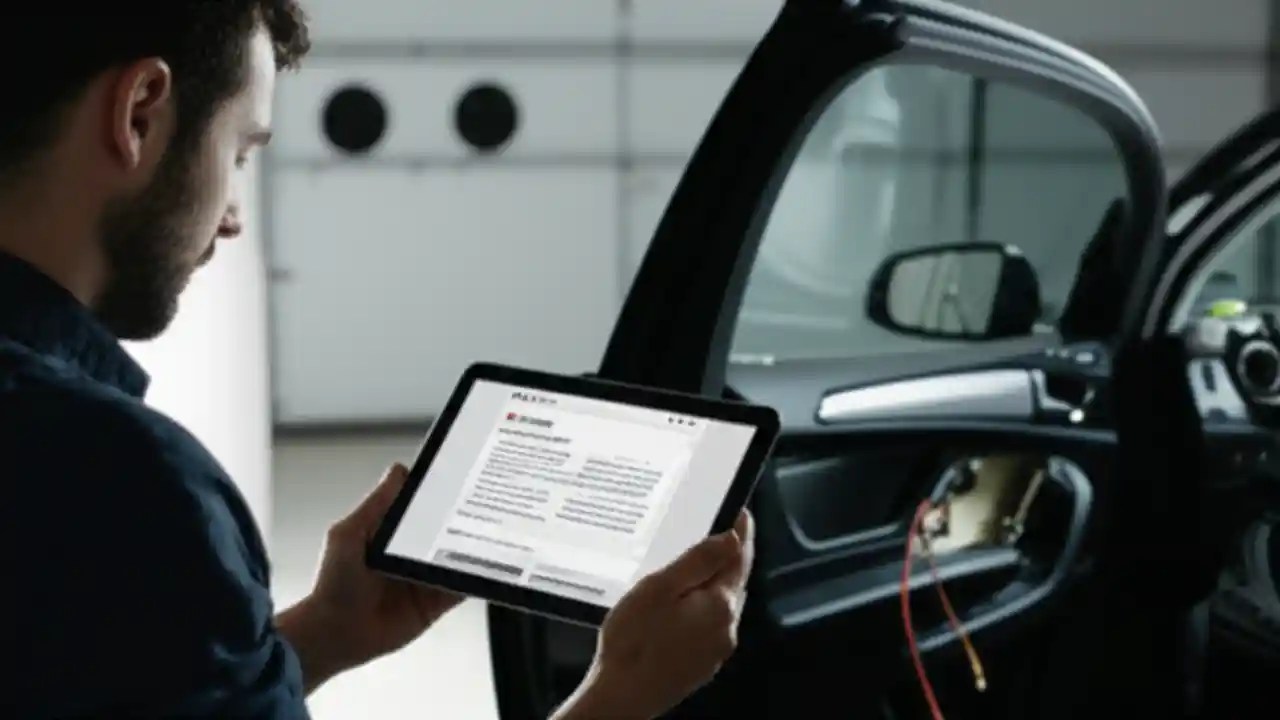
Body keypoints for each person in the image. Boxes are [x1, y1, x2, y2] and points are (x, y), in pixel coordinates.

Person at [0, 4, 754, 718]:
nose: (232, 215)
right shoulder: (126, 489)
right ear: (140, 113)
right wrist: (622, 692)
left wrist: (327, 630)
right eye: (238, 152)